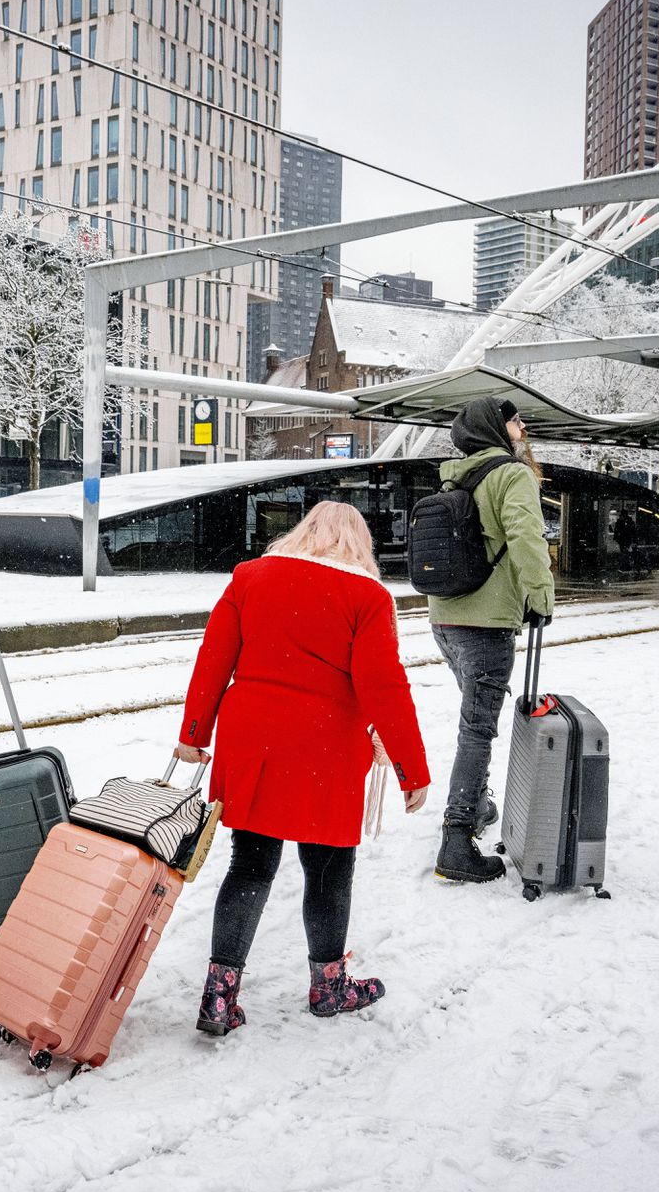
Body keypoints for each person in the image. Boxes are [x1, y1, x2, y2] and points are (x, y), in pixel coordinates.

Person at [175, 501, 431, 1036]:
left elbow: (214, 656)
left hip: (255, 743)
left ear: (303, 532)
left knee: (249, 865)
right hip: (326, 749)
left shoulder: (252, 577)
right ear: (359, 544)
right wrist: (411, 768)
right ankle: (329, 986)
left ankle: (219, 998)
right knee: (329, 868)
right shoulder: (367, 596)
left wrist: (194, 735)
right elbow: (384, 687)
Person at [426, 397, 554, 885]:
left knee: (473, 719)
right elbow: (527, 537)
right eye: (516, 419)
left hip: (445, 620)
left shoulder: (454, 476)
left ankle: (476, 806)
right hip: (485, 624)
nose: (523, 425)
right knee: (477, 731)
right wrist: (540, 597)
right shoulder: (511, 475)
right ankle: (456, 839)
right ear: (495, 429)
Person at [612, 507, 637, 577]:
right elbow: (633, 531)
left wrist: (616, 537)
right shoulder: (629, 521)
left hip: (623, 540)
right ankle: (626, 565)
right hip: (626, 539)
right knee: (625, 552)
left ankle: (623, 566)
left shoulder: (620, 521)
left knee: (624, 552)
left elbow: (617, 531)